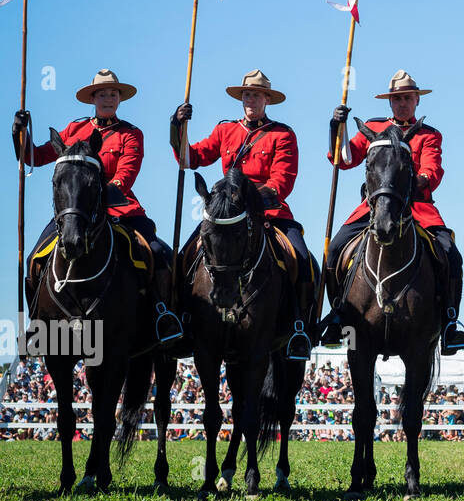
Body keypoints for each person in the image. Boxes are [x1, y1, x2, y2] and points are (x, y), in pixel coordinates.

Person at [14, 69, 182, 345]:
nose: (108, 98)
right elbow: (34, 155)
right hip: (76, 212)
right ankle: (37, 323)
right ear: (93, 98)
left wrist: (102, 196)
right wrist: (19, 131)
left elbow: (126, 174)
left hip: (119, 208)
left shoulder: (131, 134)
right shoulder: (73, 130)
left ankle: (162, 315)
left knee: (160, 254)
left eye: (113, 94)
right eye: (102, 93)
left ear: (119, 99)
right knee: (35, 257)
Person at [320, 70, 464, 353]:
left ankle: (449, 321)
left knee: (451, 253)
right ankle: (337, 315)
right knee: (336, 248)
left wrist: (416, 180)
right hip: (374, 208)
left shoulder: (428, 134)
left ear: (417, 100)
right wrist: (337, 128)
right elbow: (343, 159)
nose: (402, 103)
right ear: (390, 102)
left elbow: (432, 170)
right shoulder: (373, 128)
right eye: (397, 98)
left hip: (416, 207)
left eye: (407, 98)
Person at [171, 69, 314, 360]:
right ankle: (181, 321)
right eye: (247, 94)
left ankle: (300, 327)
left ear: (267, 99)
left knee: (302, 258)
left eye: (257, 95)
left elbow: (281, 181)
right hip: (225, 219)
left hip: (269, 213)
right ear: (241, 98)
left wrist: (249, 200)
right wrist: (177, 127)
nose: (251, 99)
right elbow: (191, 158)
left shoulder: (282, 134)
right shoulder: (225, 131)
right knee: (183, 256)